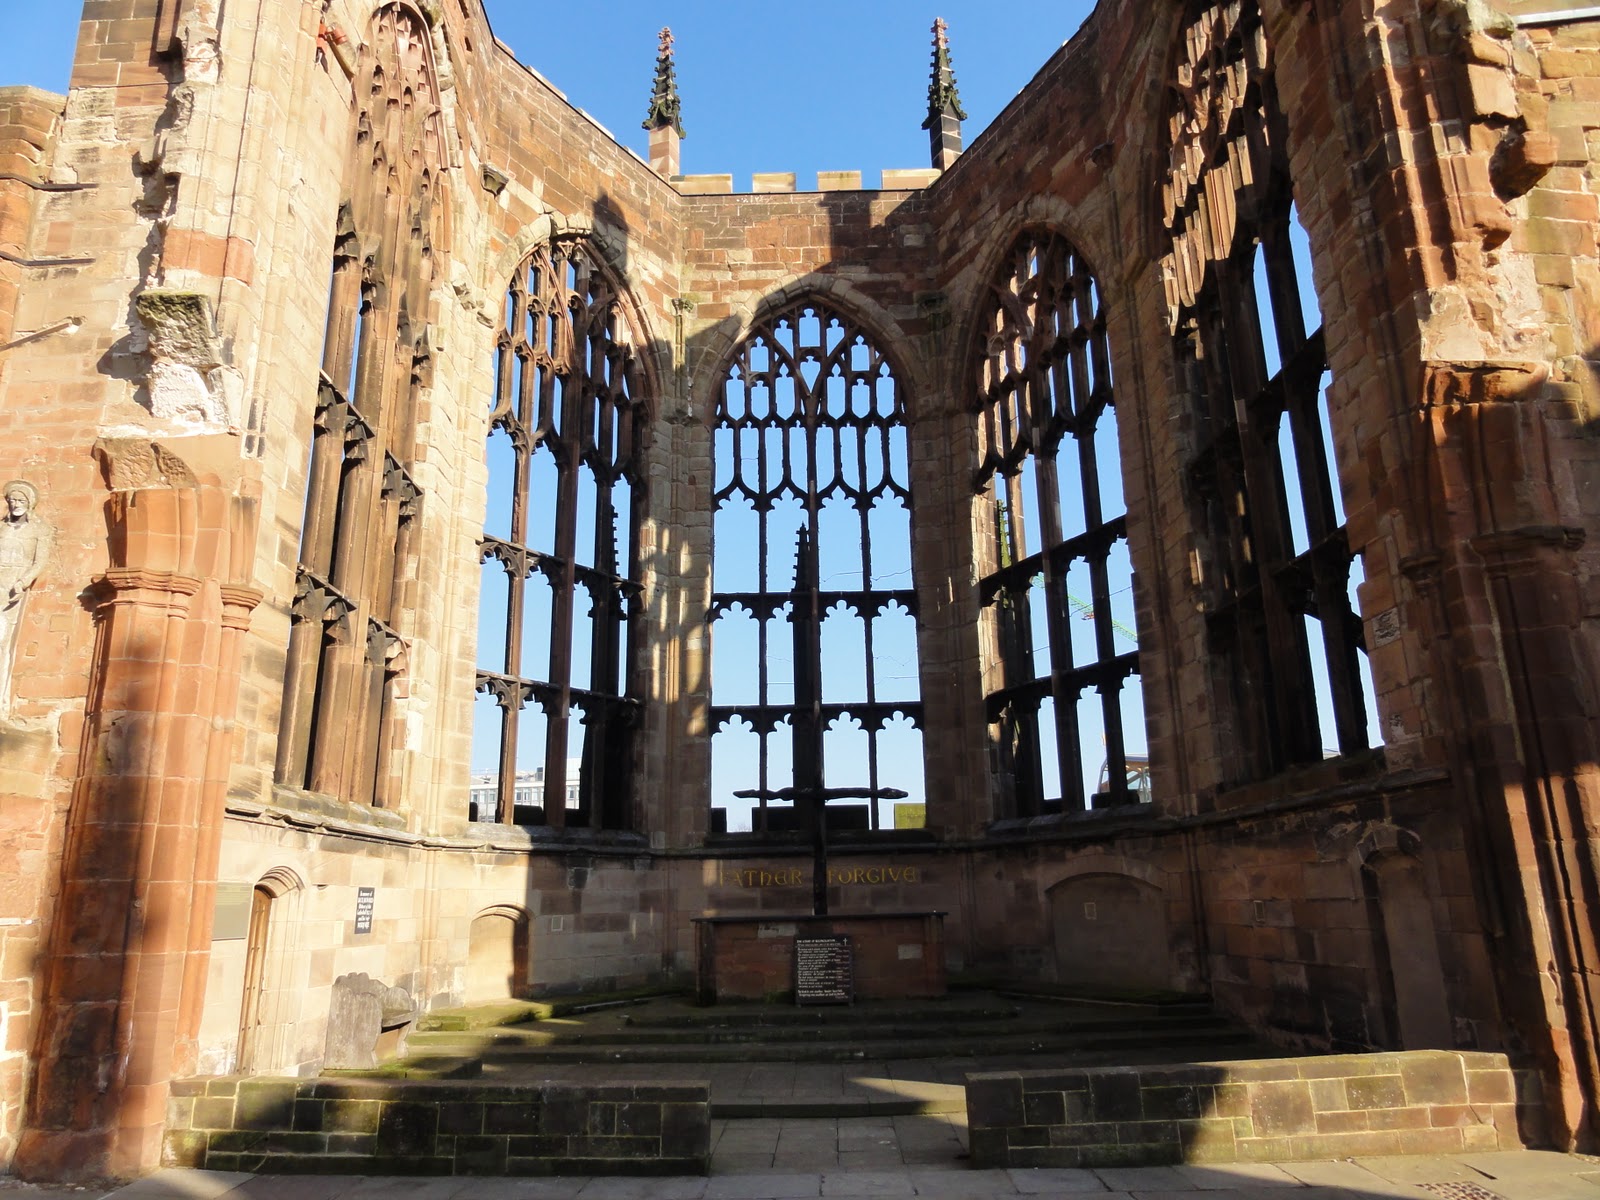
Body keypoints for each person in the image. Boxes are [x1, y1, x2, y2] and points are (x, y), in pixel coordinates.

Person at [0, 480, 50, 714]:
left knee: (3, 638)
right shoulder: (2, 527)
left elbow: (39, 561)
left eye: (20, 500)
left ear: (29, 503)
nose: (16, 504)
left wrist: (24, 581)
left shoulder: (38, 529)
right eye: (12, 500)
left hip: (14, 584)